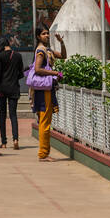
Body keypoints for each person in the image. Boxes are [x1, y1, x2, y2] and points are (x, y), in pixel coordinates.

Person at [29, 25, 66, 161]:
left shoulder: (47, 50)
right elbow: (38, 69)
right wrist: (55, 73)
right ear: (38, 36)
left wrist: (61, 42)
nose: (47, 36)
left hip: (46, 88)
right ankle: (43, 154)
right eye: (44, 34)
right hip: (43, 90)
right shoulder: (40, 51)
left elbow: (63, 56)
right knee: (44, 122)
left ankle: (45, 152)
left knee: (45, 121)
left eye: (48, 33)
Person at [0, 34, 25, 149]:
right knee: (13, 115)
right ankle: (16, 139)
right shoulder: (18, 56)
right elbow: (21, 73)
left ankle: (4, 142)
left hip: (1, 88)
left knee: (2, 115)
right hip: (14, 88)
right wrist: (13, 78)